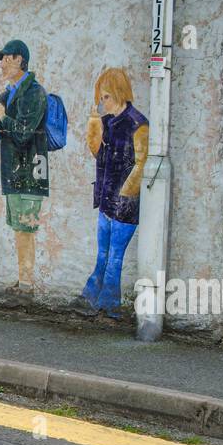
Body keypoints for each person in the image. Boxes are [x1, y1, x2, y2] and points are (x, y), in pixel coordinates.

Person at [83, 67, 149, 315]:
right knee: (103, 254)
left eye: (106, 97)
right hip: (105, 200)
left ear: (120, 94)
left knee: (115, 258)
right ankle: (93, 299)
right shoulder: (107, 122)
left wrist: (125, 195)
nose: (103, 103)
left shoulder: (137, 124)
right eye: (101, 98)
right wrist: (93, 123)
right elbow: (96, 153)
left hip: (124, 206)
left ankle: (108, 305)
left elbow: (141, 164)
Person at [0, 39, 48, 294]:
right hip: (13, 171)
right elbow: (2, 134)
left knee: (26, 227)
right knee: (19, 228)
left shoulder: (34, 93)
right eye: (2, 58)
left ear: (20, 60)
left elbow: (24, 133)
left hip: (31, 171)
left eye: (7, 58)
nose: (2, 63)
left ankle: (26, 283)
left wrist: (3, 116)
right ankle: (23, 280)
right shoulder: (7, 94)